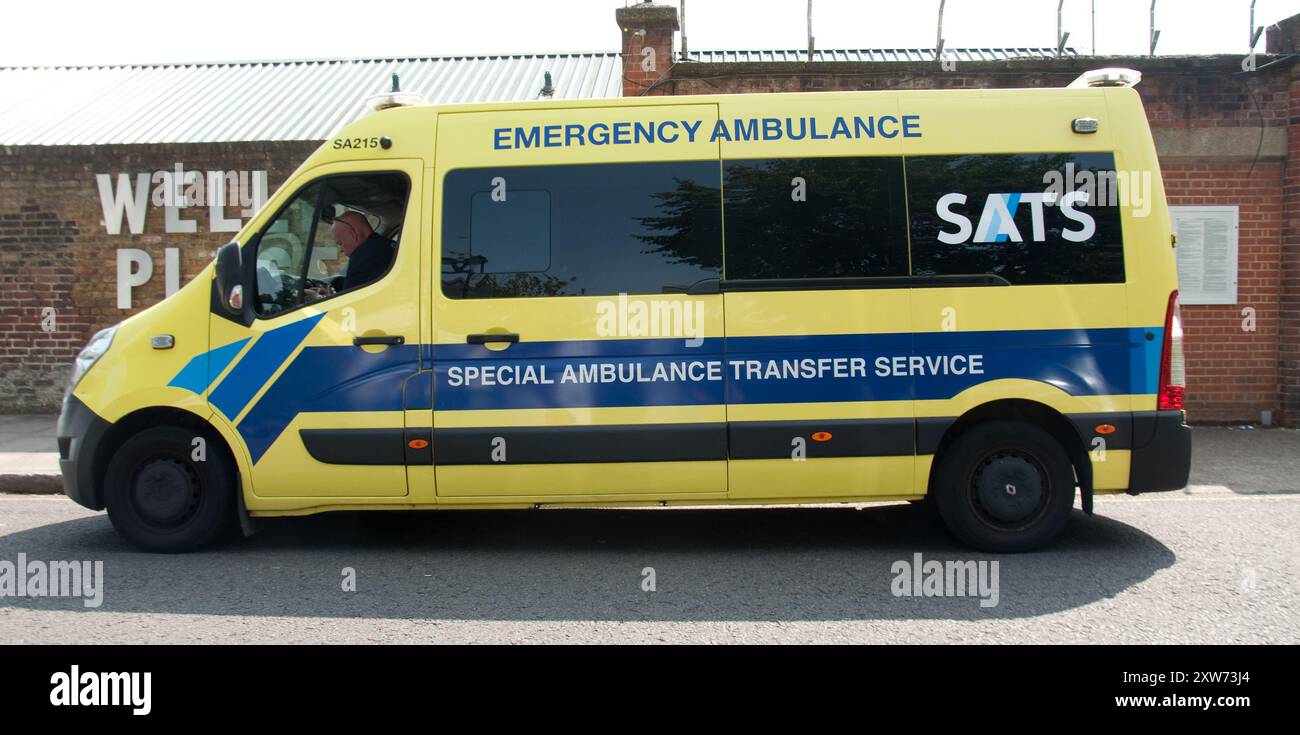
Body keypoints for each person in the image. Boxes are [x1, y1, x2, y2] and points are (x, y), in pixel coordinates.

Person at [305, 210, 395, 300]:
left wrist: (318, 297)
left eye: (340, 243)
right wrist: (330, 294)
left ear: (353, 235)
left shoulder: (363, 256)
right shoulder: (389, 245)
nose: (340, 250)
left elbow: (348, 304)